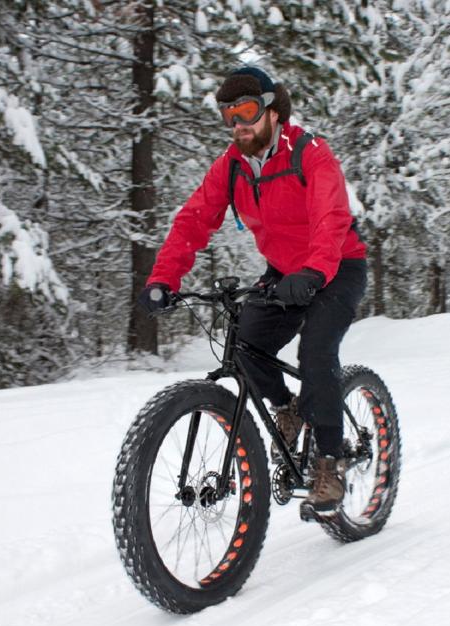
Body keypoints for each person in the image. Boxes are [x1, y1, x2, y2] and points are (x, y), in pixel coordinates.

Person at [138, 65, 367, 516]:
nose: (238, 123)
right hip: (285, 270)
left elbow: (331, 218)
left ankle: (329, 460)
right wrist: (163, 278)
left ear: (272, 110)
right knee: (243, 343)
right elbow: (193, 221)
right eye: (229, 115)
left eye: (246, 110)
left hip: (337, 266)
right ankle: (288, 407)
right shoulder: (231, 167)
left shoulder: (311, 153)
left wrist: (316, 271)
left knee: (317, 353)